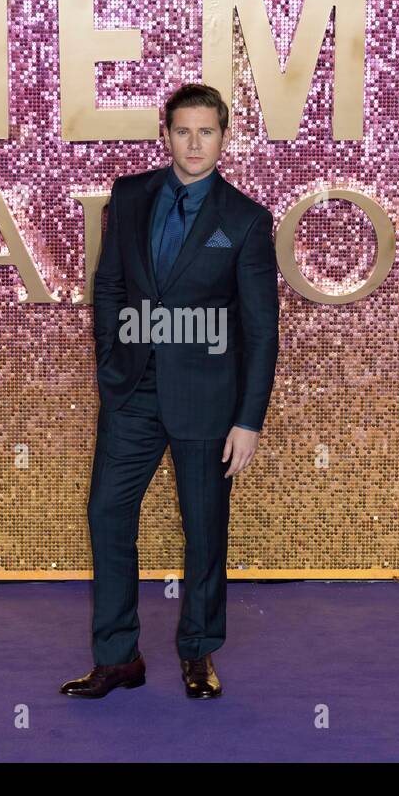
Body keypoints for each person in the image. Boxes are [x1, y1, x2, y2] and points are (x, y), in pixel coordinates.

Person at [60, 82, 280, 699]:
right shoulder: (130, 196)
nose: (193, 143)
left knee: (204, 529)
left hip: (208, 401)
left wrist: (249, 421)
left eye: (206, 132)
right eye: (182, 130)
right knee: (107, 513)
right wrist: (110, 363)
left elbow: (262, 332)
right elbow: (109, 286)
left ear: (224, 139)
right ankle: (117, 657)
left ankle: (198, 653)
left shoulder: (244, 221)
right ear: (166, 134)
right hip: (133, 391)